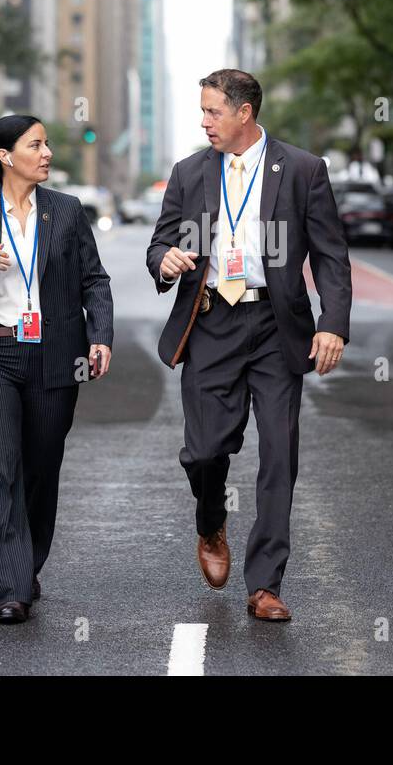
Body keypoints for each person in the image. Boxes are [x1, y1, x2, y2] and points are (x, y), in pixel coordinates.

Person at [146, 68, 352, 622]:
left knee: (279, 455)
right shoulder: (189, 172)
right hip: (211, 321)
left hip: (275, 326)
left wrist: (332, 323)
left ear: (245, 113)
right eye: (203, 110)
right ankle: (210, 521)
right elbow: (161, 242)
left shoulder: (304, 170)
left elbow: (331, 255)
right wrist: (163, 260)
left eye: (213, 110)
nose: (204, 120)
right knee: (206, 451)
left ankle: (265, 584)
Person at [0, 114, 113, 625]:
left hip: (56, 355)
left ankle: (29, 562)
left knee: (41, 464)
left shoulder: (67, 211)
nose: (48, 152)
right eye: (37, 145)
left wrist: (100, 337)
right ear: (6, 157)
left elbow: (94, 280)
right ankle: (12, 586)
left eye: (48, 143)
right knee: (1, 466)